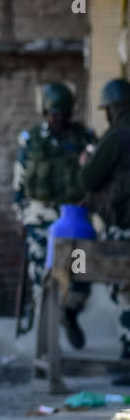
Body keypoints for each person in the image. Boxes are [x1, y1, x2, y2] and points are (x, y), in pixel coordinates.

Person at [14, 82, 96, 346]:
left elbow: (96, 178)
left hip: (75, 221)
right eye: (53, 114)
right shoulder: (31, 139)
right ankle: (47, 345)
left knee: (80, 276)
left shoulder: (85, 138)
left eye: (63, 114)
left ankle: (70, 315)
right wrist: (20, 215)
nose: (58, 119)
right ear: (45, 113)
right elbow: (19, 182)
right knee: (43, 281)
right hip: (40, 219)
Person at [80, 78, 130, 377]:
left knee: (124, 293)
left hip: (124, 231)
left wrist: (87, 160)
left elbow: (88, 180)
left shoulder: (116, 138)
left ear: (114, 108)